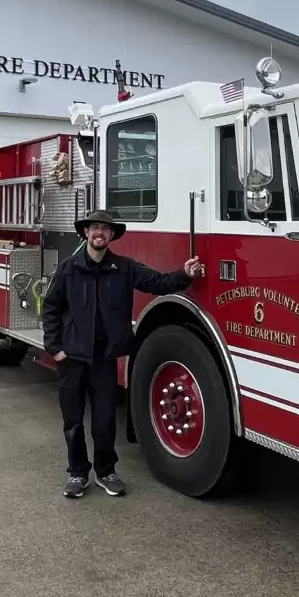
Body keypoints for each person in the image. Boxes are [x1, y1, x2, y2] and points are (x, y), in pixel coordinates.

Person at [40, 209, 204, 498]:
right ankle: (77, 474)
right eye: (94, 228)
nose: (99, 233)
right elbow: (51, 308)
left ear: (112, 235)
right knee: (74, 422)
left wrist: (185, 274)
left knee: (104, 421)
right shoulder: (68, 268)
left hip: (104, 360)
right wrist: (56, 348)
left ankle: (105, 472)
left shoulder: (124, 268)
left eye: (105, 228)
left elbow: (157, 283)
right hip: (73, 360)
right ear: (86, 234)